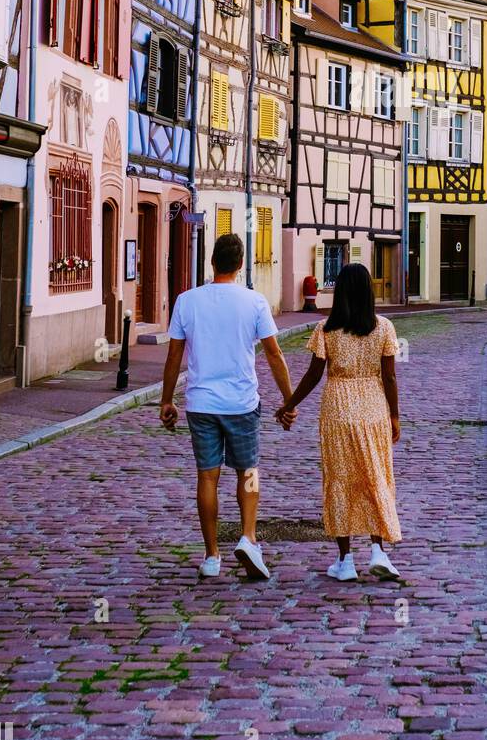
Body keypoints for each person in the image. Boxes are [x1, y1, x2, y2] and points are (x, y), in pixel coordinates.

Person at [159, 232, 296, 581]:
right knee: (247, 472)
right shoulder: (254, 302)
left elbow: (175, 354)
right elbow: (273, 353)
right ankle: (248, 538)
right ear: (239, 264)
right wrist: (288, 399)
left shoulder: (187, 301)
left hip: (201, 402)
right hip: (241, 402)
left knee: (207, 476)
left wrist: (166, 399)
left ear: (211, 262)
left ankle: (211, 555)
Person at [275, 262, 401, 581]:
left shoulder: (326, 330)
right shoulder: (384, 327)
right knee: (375, 474)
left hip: (337, 409)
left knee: (339, 480)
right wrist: (395, 415)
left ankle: (345, 560)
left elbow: (314, 375)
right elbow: (389, 376)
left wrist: (288, 404)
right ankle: (378, 550)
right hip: (372, 407)